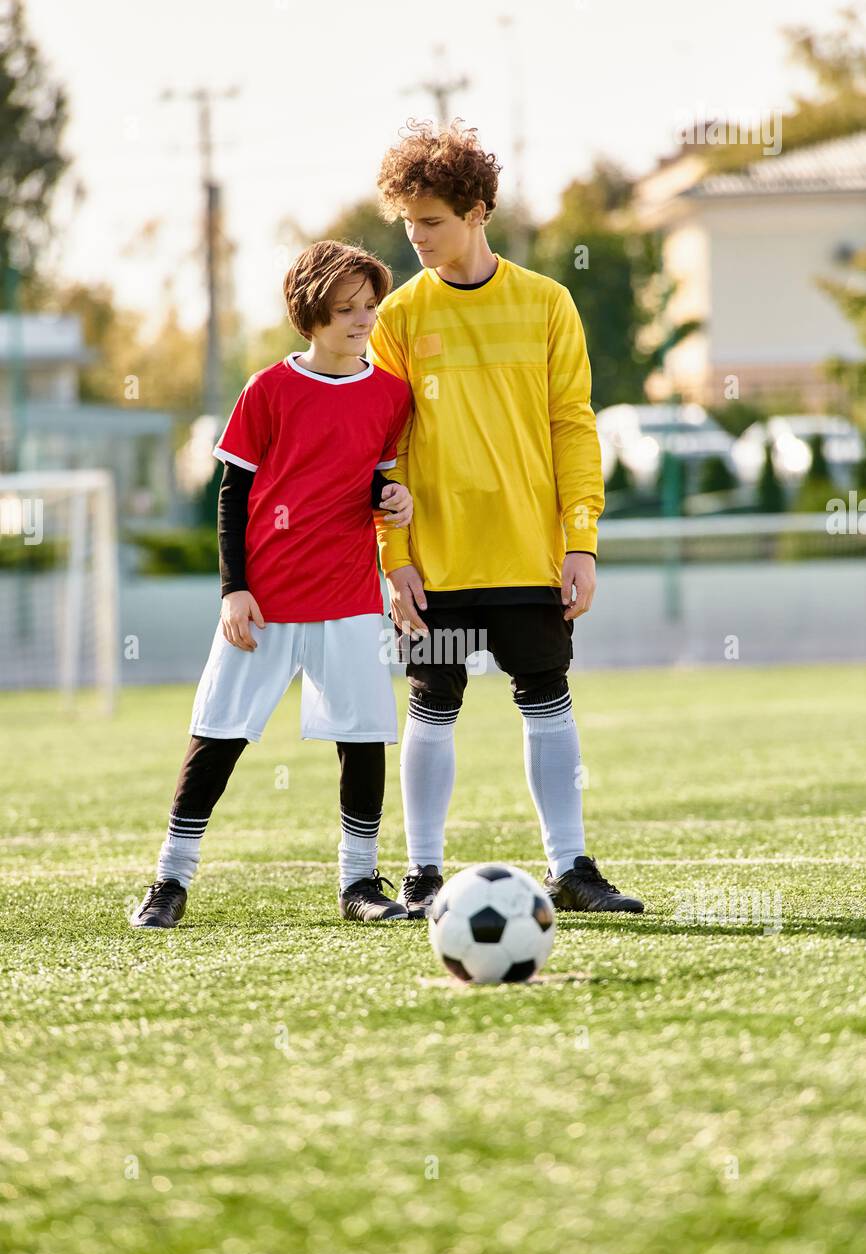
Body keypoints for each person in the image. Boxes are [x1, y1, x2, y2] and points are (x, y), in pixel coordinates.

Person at [368, 119, 644, 917]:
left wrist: (581, 542)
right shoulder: (397, 319)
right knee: (432, 704)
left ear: (478, 211)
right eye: (408, 223)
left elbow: (573, 426)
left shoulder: (548, 304)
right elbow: (381, 452)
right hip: (436, 564)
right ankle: (422, 875)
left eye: (432, 221)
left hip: (531, 554)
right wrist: (396, 557)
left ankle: (572, 867)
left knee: (547, 698)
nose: (417, 237)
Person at [131, 240, 415, 927]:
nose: (362, 320)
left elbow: (368, 477)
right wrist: (234, 589)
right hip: (267, 600)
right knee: (218, 732)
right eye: (346, 308)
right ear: (312, 316)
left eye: (370, 306)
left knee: (365, 734)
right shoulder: (268, 390)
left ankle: (360, 885)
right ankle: (169, 882)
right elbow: (235, 494)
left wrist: (391, 496)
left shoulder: (390, 394)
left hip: (349, 597)